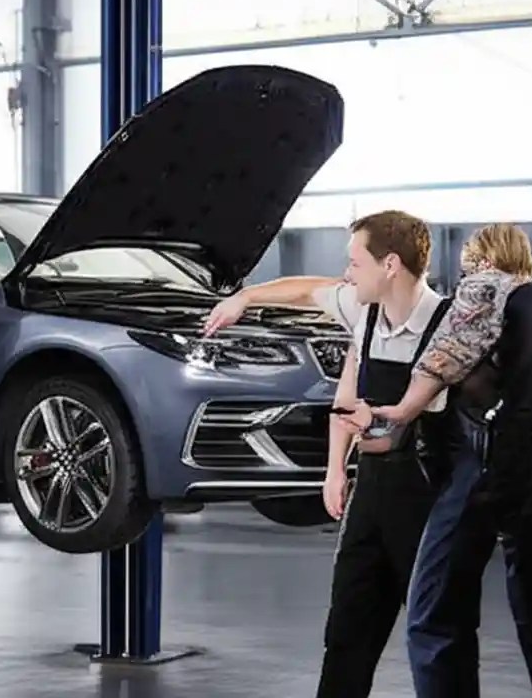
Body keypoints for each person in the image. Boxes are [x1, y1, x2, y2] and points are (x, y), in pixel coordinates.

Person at [204, 210, 456, 698]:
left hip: (426, 498)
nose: (346, 274)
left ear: (389, 265)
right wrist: (334, 470)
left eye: (354, 263)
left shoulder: (447, 327)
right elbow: (305, 292)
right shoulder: (361, 310)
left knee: (435, 636)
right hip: (371, 491)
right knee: (346, 630)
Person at [353, 224, 532, 698]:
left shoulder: (486, 287)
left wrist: (399, 411)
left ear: (482, 256)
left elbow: (445, 357)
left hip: (479, 462)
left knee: (433, 611)